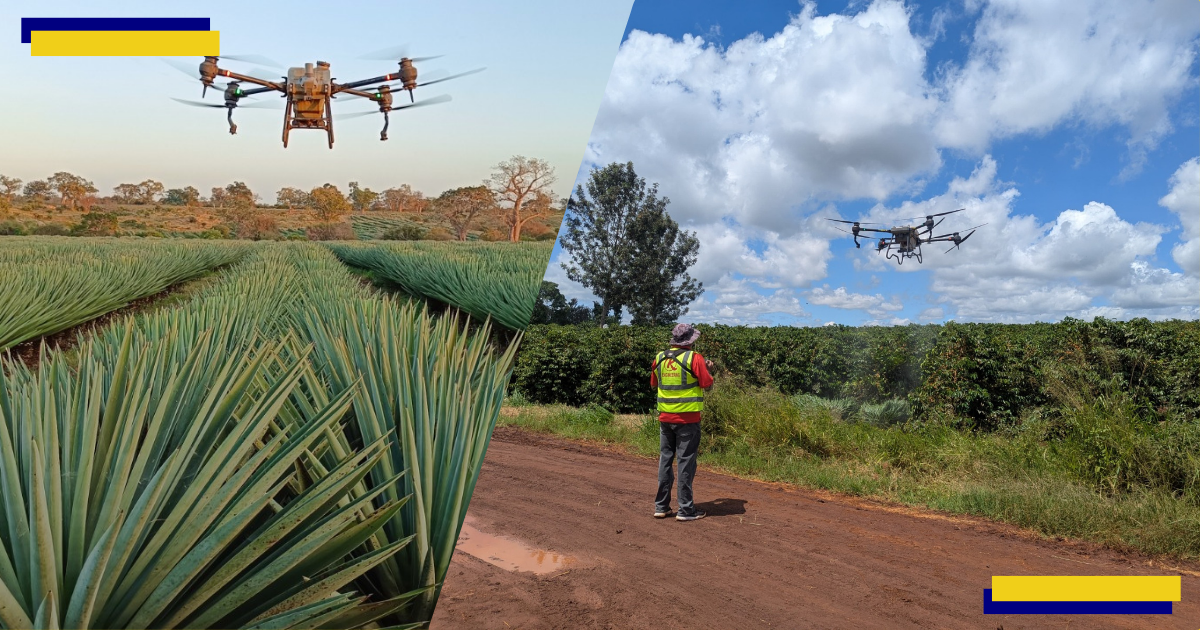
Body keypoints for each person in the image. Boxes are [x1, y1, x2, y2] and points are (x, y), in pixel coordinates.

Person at [650, 323, 714, 521]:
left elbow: (654, 384)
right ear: (691, 340)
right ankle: (686, 509)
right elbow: (707, 384)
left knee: (665, 461)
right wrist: (708, 369)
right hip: (688, 419)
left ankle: (661, 506)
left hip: (665, 418)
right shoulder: (695, 358)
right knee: (686, 462)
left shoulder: (659, 358)